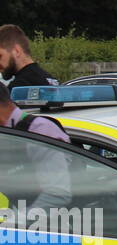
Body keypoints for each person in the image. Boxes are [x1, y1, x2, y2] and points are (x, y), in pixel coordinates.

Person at [0, 80, 73, 216]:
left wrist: (17, 223)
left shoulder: (39, 132)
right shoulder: (6, 134)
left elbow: (57, 194)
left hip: (54, 229)